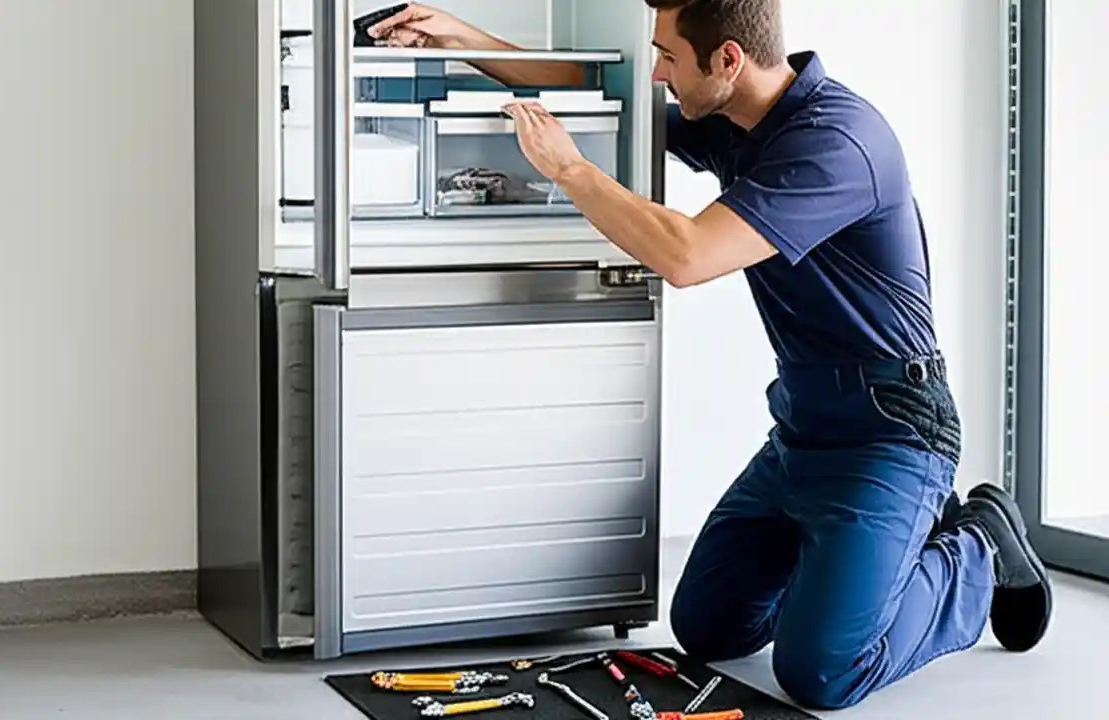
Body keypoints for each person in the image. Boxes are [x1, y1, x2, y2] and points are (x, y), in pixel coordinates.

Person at [368, 0, 1054, 711]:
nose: (657, 72)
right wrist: (462, 36)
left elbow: (688, 255)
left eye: (667, 56)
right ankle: (854, 563)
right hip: (802, 429)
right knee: (707, 629)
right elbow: (599, 84)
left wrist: (571, 171)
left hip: (891, 431)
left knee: (823, 672)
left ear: (727, 60)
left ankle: (975, 544)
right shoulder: (735, 116)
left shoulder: (837, 143)